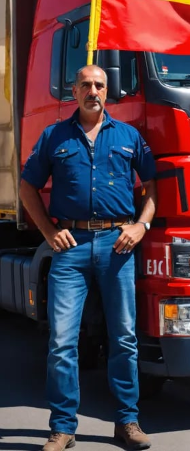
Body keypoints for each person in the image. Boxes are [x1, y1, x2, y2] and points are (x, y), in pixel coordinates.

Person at [18, 65, 157, 451]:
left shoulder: (129, 136)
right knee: (62, 341)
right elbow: (27, 186)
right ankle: (63, 427)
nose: (93, 90)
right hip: (71, 247)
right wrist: (48, 231)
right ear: (74, 91)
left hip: (117, 245)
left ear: (106, 92)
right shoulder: (54, 136)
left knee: (124, 338)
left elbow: (151, 190)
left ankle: (127, 422)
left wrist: (140, 226)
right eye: (85, 85)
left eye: (99, 85)